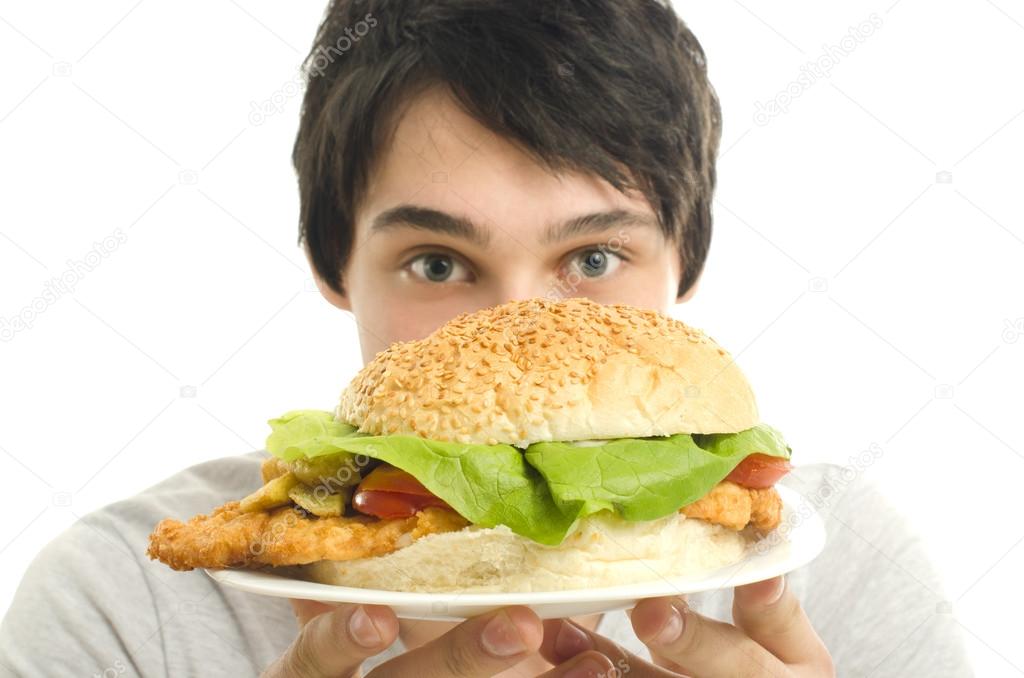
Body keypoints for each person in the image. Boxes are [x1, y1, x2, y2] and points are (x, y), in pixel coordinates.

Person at [1, 1, 971, 676]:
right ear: (333, 264)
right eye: (436, 261)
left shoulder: (838, 562)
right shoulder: (117, 605)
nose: (515, 331)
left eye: (592, 259)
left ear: (688, 262)